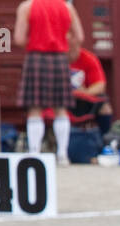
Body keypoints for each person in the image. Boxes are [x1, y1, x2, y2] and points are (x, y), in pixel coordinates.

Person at [15, 0, 83, 164]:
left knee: (35, 108)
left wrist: (35, 42)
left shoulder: (27, 7)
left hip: (36, 57)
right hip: (59, 57)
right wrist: (67, 45)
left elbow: (19, 39)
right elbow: (79, 36)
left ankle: (35, 153)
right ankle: (62, 154)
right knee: (60, 108)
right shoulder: (67, 7)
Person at [68, 37, 112, 136]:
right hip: (61, 100)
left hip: (83, 99)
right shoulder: (56, 60)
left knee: (105, 108)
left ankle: (104, 140)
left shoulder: (88, 58)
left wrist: (84, 93)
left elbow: (100, 85)